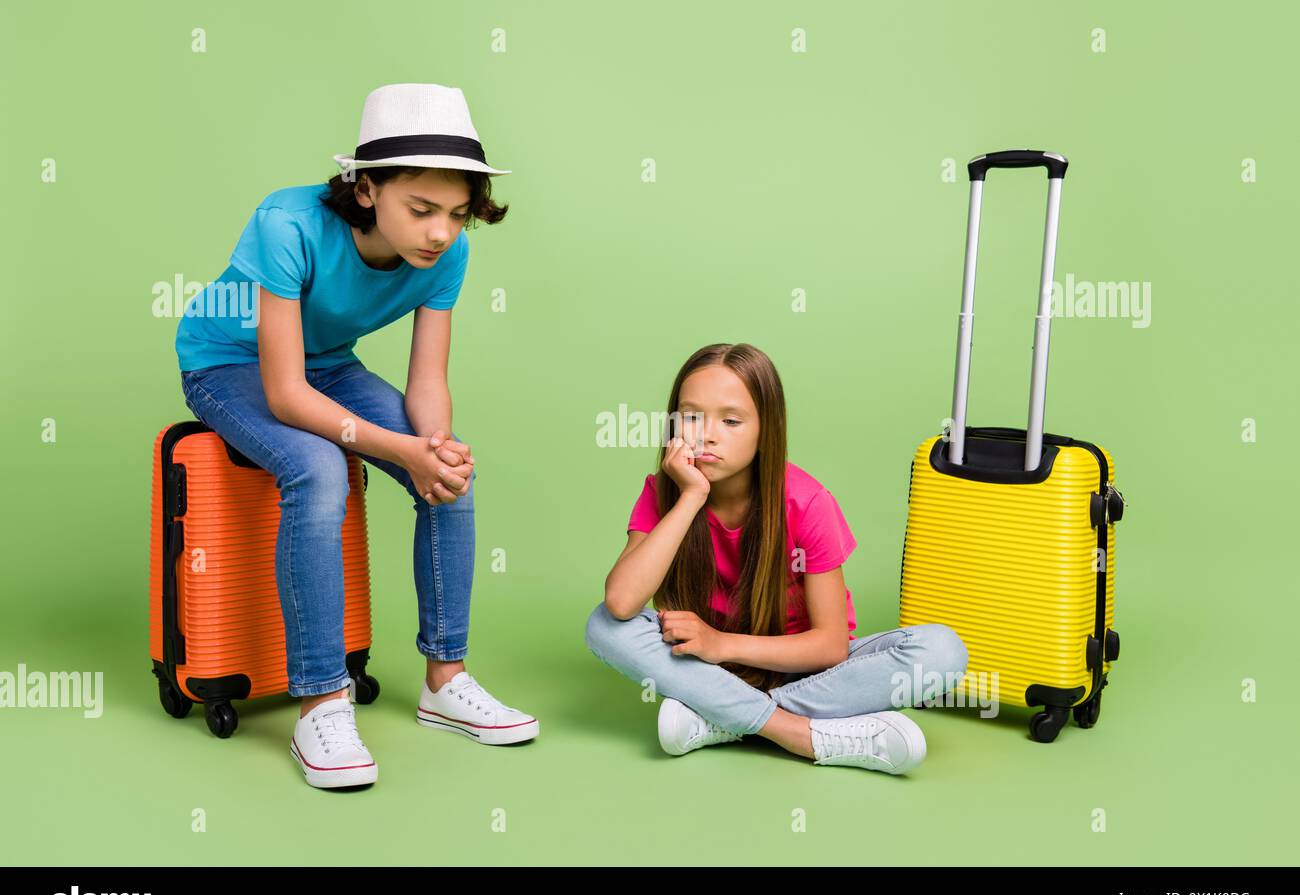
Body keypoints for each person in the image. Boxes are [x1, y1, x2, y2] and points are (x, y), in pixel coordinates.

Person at [174, 83, 537, 791]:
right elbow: (284, 394)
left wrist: (430, 447)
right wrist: (395, 447)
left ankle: (445, 678)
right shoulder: (286, 224)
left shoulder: (446, 255)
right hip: (228, 363)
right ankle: (321, 701)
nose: (440, 232)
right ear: (366, 188)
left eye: (458, 215)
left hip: (328, 367)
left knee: (450, 475)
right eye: (422, 209)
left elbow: (427, 380)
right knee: (318, 468)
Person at [585, 343, 969, 775]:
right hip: (707, 669)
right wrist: (691, 495)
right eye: (691, 417)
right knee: (604, 625)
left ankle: (723, 720)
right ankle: (793, 731)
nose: (706, 435)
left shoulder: (807, 503)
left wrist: (721, 643)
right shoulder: (664, 493)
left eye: (731, 421)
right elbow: (621, 602)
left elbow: (829, 646)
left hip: (804, 674)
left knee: (942, 651)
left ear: (766, 430)